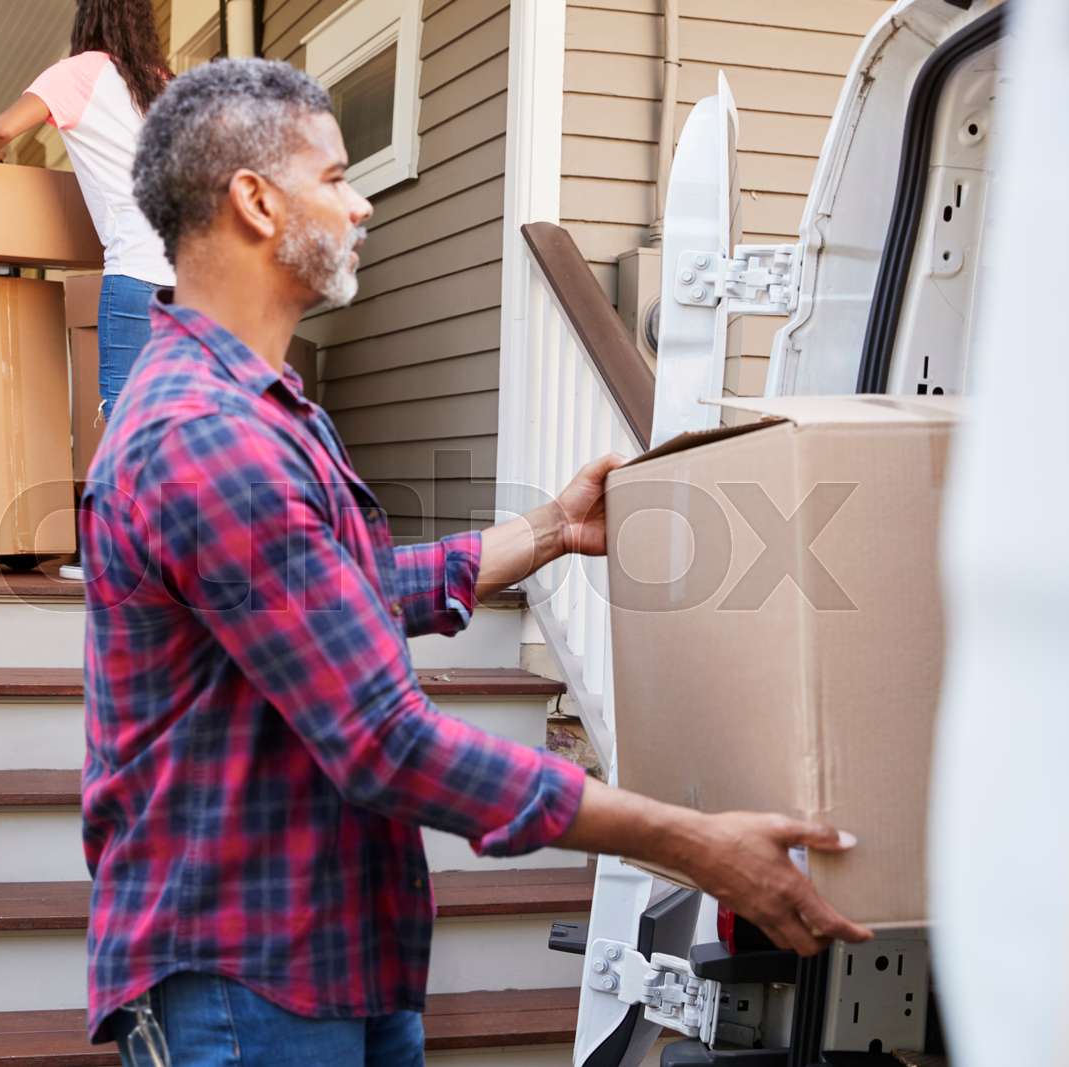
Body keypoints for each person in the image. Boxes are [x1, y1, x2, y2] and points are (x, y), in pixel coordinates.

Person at [79, 59, 874, 1065]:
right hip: (246, 979)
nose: (360, 204)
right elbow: (383, 740)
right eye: (334, 176)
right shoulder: (209, 436)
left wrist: (546, 530)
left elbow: (342, 601)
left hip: (329, 952)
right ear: (254, 199)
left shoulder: (260, 404)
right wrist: (688, 839)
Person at [0, 0, 174, 420]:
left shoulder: (78, 73)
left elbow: (1, 129)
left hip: (139, 276)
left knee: (133, 435)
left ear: (89, 18)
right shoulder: (162, 83)